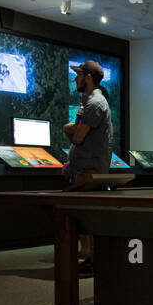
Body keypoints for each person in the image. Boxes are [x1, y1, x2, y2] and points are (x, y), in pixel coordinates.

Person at [63, 61, 114, 275]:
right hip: (85, 168)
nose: (76, 78)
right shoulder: (89, 102)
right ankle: (90, 258)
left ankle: (92, 260)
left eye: (79, 75)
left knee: (86, 217)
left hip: (89, 171)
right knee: (84, 215)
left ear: (89, 77)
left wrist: (68, 128)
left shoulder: (95, 103)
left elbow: (79, 136)